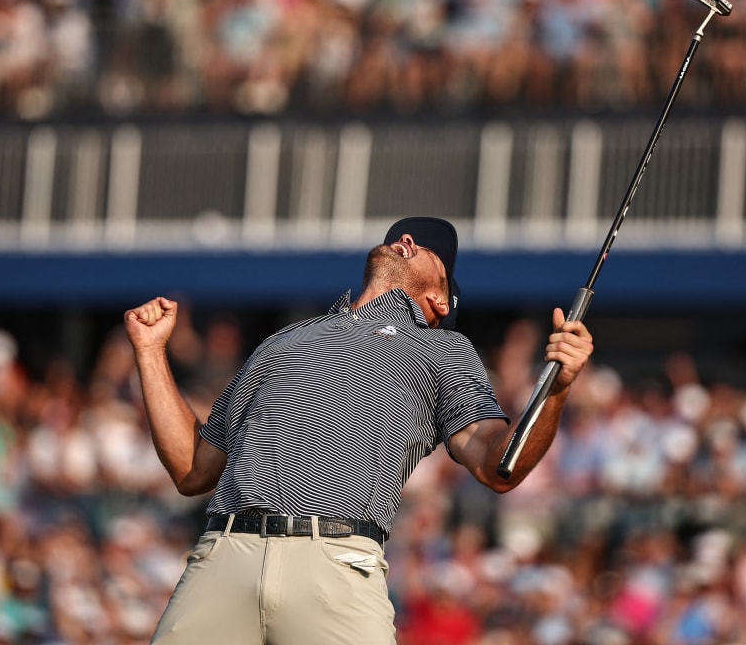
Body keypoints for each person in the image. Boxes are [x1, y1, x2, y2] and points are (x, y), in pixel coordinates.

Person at [123, 216, 595, 644]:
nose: (404, 239)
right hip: (225, 554)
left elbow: (498, 466)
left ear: (438, 300)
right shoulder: (283, 340)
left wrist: (556, 389)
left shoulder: (442, 347)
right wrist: (149, 353)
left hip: (337, 562)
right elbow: (191, 470)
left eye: (425, 247)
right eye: (401, 235)